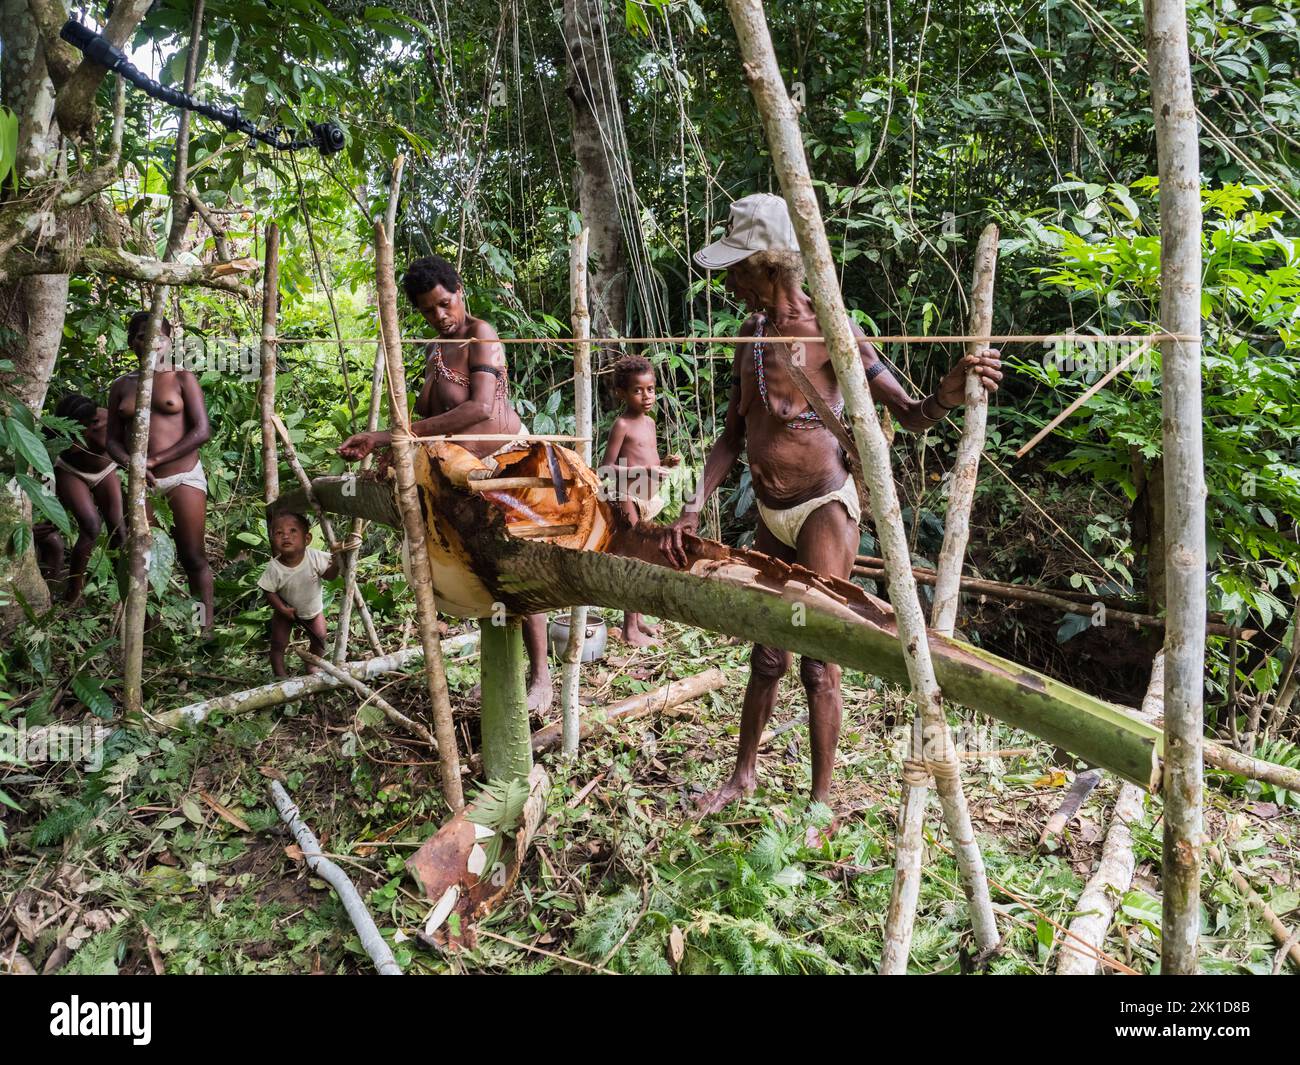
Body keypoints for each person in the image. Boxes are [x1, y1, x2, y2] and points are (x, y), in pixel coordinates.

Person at [657, 193, 1002, 832]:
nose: (728, 282)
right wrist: (692, 505)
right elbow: (733, 435)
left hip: (824, 509)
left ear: (769, 266)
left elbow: (913, 411)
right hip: (770, 510)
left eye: (737, 268)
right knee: (766, 653)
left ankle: (819, 805)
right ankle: (743, 774)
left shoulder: (836, 333)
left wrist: (952, 389)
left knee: (818, 659)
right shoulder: (751, 335)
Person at [337, 255, 553, 712]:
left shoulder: (482, 334)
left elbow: (477, 409)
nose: (439, 317)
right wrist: (394, 455)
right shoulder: (436, 348)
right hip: (459, 474)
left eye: (444, 304)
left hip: (503, 464)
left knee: (519, 568)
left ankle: (541, 678)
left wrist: (391, 437)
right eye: (428, 311)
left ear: (459, 291)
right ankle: (500, 673)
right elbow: (425, 418)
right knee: (478, 572)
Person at [106, 312, 215, 636]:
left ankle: (203, 629)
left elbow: (201, 431)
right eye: (141, 335)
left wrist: (155, 460)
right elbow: (111, 439)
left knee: (192, 556)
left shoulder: (183, 378)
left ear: (170, 341)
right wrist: (133, 465)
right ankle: (148, 635)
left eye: (158, 336)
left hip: (182, 477)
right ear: (131, 343)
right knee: (143, 560)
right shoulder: (121, 386)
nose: (150, 341)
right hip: (141, 482)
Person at [599, 354, 681, 647]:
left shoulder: (649, 423)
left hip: (647, 496)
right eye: (637, 390)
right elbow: (606, 469)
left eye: (651, 389)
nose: (646, 396)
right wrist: (643, 470)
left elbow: (650, 458)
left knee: (643, 554)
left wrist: (666, 463)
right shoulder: (622, 424)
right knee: (634, 556)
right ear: (621, 393)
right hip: (626, 496)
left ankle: (637, 620)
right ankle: (628, 630)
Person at [49, 393, 125, 603]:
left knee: (120, 531)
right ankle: (73, 592)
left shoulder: (109, 421)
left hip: (105, 470)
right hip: (70, 471)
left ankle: (119, 591)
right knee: (91, 526)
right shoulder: (61, 431)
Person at [259, 511, 340, 677]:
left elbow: (329, 576)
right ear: (273, 539)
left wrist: (338, 562)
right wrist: (281, 609)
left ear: (307, 539)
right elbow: (268, 590)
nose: (286, 536)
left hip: (313, 611)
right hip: (286, 612)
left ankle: (312, 666)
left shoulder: (314, 557)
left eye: (293, 531)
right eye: (279, 533)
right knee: (278, 643)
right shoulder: (275, 568)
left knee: (320, 637)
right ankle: (280, 675)